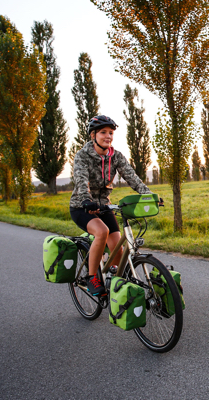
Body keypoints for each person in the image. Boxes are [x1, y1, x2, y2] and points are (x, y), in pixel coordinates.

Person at [69, 115, 152, 296]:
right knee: (102, 231)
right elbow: (81, 181)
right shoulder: (82, 156)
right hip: (81, 207)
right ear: (93, 135)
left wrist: (148, 194)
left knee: (118, 248)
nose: (108, 136)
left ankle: (115, 282)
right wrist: (85, 199)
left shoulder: (116, 156)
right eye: (103, 132)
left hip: (104, 206)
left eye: (111, 133)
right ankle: (92, 278)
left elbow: (131, 177)